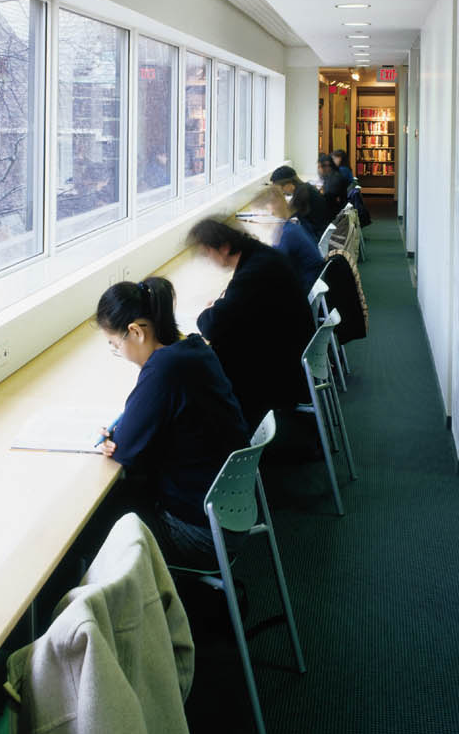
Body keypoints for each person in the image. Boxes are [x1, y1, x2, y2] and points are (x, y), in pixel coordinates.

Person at [94, 276, 250, 567]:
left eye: (115, 344)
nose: (118, 352)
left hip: (201, 534)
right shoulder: (193, 348)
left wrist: (114, 437)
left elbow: (126, 450)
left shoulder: (163, 371)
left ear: (136, 332)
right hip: (231, 515)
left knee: (99, 521)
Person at [187, 218, 316, 435]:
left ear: (224, 248)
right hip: (291, 350)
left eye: (207, 253)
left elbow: (212, 326)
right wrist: (221, 305)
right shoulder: (260, 256)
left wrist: (207, 311)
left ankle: (226, 439)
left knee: (200, 369)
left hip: (282, 371)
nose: (207, 260)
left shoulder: (254, 271)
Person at [267, 184, 326, 293]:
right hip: (312, 278)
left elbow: (275, 265)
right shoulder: (295, 225)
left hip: (305, 288)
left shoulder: (287, 233)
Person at [268, 164, 331, 239]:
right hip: (318, 229)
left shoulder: (302, 193)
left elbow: (284, 215)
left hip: (316, 235)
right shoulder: (304, 188)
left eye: (281, 188)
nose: (282, 192)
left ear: (289, 184)